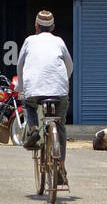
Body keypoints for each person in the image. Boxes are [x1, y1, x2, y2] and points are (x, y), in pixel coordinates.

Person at [16, 10, 73, 181]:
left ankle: (34, 130)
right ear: (53, 27)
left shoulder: (29, 41)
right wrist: (62, 81)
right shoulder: (59, 41)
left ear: (36, 26)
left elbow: (20, 65)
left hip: (34, 89)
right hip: (59, 91)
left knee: (28, 105)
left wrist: (21, 88)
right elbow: (69, 66)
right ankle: (61, 167)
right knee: (60, 125)